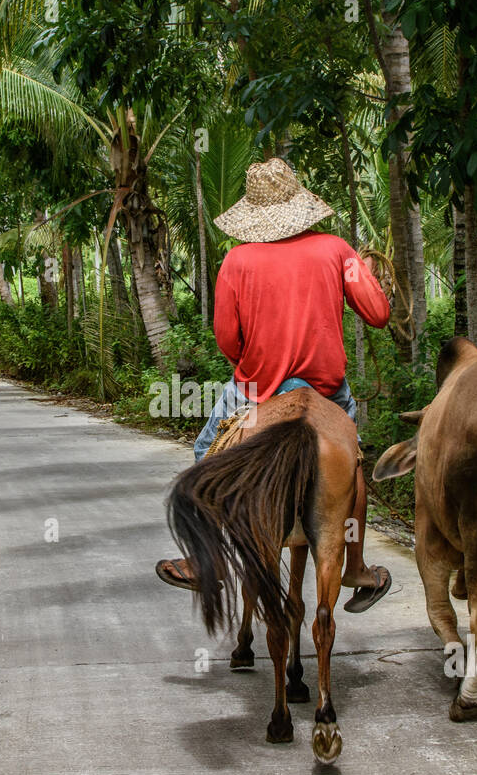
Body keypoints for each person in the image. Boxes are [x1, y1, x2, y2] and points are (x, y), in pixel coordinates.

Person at [156, 157, 392, 610]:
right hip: (327, 391)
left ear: (253, 212)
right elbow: (379, 315)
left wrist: (254, 366)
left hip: (257, 389)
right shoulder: (338, 251)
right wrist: (362, 271)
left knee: (207, 452)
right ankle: (357, 566)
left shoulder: (237, 259)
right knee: (354, 463)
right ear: (299, 204)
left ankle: (205, 562)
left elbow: (227, 339)